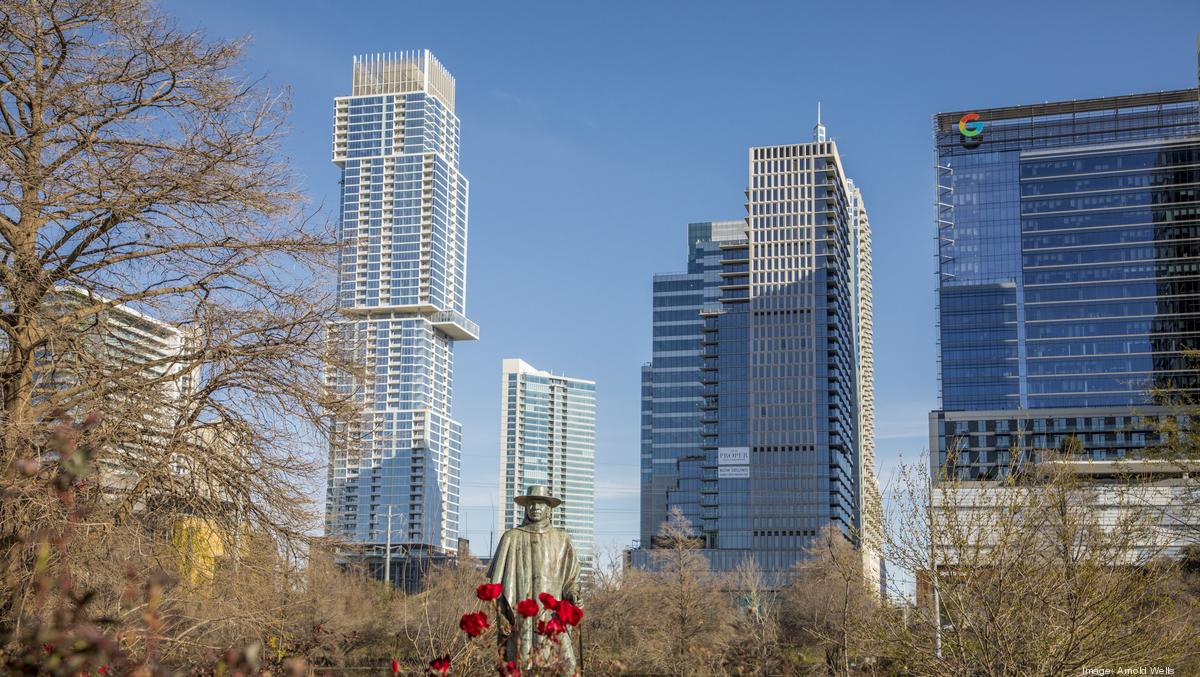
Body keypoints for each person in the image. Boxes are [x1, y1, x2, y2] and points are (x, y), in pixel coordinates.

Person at [487, 485, 580, 672]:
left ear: (549, 508)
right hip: (520, 617)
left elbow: (571, 579)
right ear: (526, 507)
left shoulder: (562, 539)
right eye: (532, 503)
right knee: (521, 664)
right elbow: (496, 586)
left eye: (541, 503)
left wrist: (573, 593)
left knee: (567, 666)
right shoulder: (511, 538)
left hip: (552, 617)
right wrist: (501, 615)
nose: (536, 507)